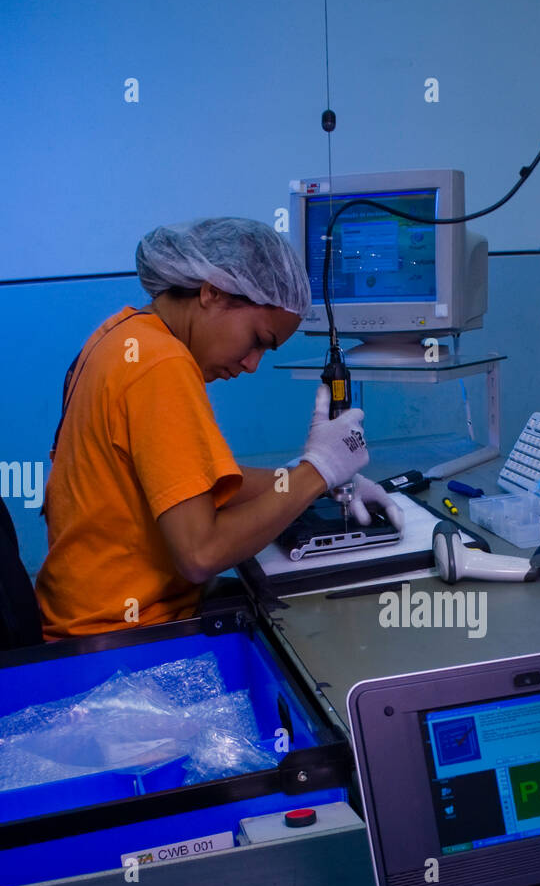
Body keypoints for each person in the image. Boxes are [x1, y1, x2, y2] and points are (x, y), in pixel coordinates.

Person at [36, 217, 402, 639]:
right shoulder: (160, 365)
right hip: (122, 641)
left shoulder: (122, 336)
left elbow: (189, 484)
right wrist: (316, 471)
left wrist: (321, 480)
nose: (251, 365)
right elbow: (200, 553)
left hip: (79, 620)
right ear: (212, 291)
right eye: (257, 340)